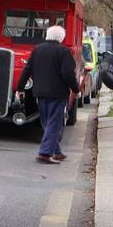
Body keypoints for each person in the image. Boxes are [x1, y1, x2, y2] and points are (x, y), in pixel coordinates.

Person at [16, 24, 80, 164]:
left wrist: (20, 88)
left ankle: (56, 152)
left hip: (39, 92)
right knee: (54, 123)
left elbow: (27, 69)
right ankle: (45, 153)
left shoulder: (37, 49)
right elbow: (68, 74)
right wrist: (76, 89)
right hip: (57, 93)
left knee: (47, 122)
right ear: (61, 38)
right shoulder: (64, 51)